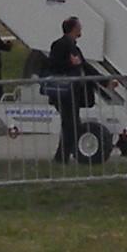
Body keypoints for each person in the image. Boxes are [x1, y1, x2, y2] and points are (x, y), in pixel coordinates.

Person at [44, 17, 95, 162]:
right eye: (79, 26)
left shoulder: (74, 47)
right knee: (70, 123)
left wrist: (106, 81)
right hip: (63, 92)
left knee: (71, 123)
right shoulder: (59, 45)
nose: (81, 29)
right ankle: (62, 157)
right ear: (73, 28)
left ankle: (64, 155)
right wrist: (70, 63)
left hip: (72, 93)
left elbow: (85, 66)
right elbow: (54, 65)